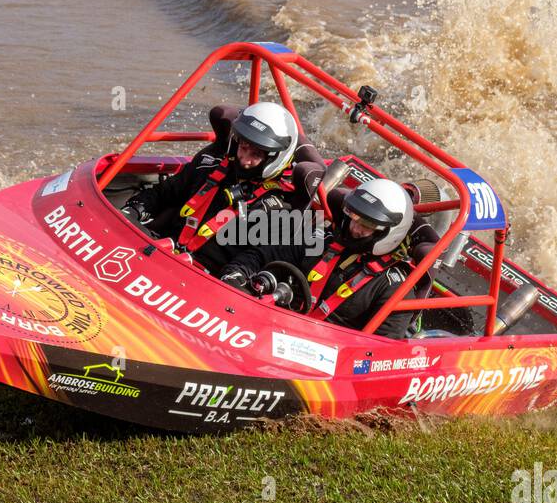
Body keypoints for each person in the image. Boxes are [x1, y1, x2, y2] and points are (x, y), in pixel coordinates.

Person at [121, 102, 323, 273]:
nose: (245, 160)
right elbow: (165, 192)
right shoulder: (211, 162)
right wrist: (134, 209)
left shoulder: (281, 205)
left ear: (274, 158)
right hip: (160, 251)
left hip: (206, 280)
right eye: (243, 146)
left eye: (256, 155)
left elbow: (259, 257)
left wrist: (236, 275)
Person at [219, 177, 429, 339]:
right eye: (353, 216)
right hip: (268, 329)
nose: (354, 228)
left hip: (322, 364)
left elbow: (378, 354)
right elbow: (261, 255)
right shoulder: (321, 239)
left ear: (389, 231)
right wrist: (234, 279)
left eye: (367, 224)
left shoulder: (395, 287)